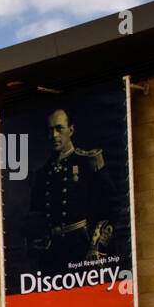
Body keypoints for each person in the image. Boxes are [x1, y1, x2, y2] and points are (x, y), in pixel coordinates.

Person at [25, 108, 118, 270]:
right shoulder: (42, 173)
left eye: (59, 128)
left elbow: (111, 206)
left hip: (81, 248)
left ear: (71, 130)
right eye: (50, 130)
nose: (54, 135)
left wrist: (96, 245)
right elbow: (36, 213)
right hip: (51, 253)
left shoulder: (87, 162)